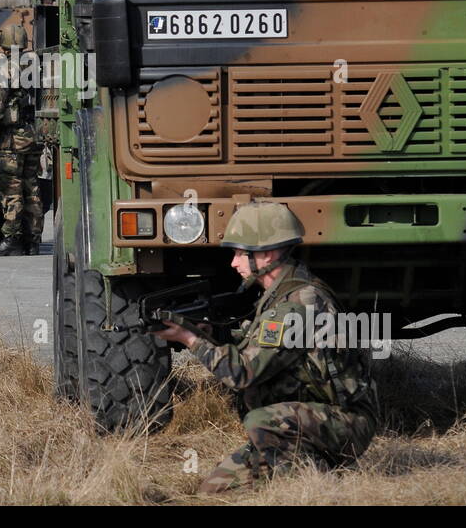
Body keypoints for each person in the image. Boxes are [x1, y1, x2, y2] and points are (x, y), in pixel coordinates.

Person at [153, 200, 380, 493]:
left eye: (239, 253)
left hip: (344, 421)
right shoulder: (282, 294)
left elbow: (242, 372)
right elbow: (259, 350)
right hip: (306, 417)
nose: (233, 263)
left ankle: (311, 480)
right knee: (213, 490)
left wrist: (190, 340)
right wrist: (211, 335)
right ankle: (299, 459)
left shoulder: (297, 304)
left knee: (260, 421)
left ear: (267, 254)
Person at [0, 23, 43, 256]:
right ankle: (34, 240)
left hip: (12, 140)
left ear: (5, 43)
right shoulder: (39, 66)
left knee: (11, 188)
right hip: (35, 135)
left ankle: (12, 239)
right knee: (32, 186)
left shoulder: (6, 69)